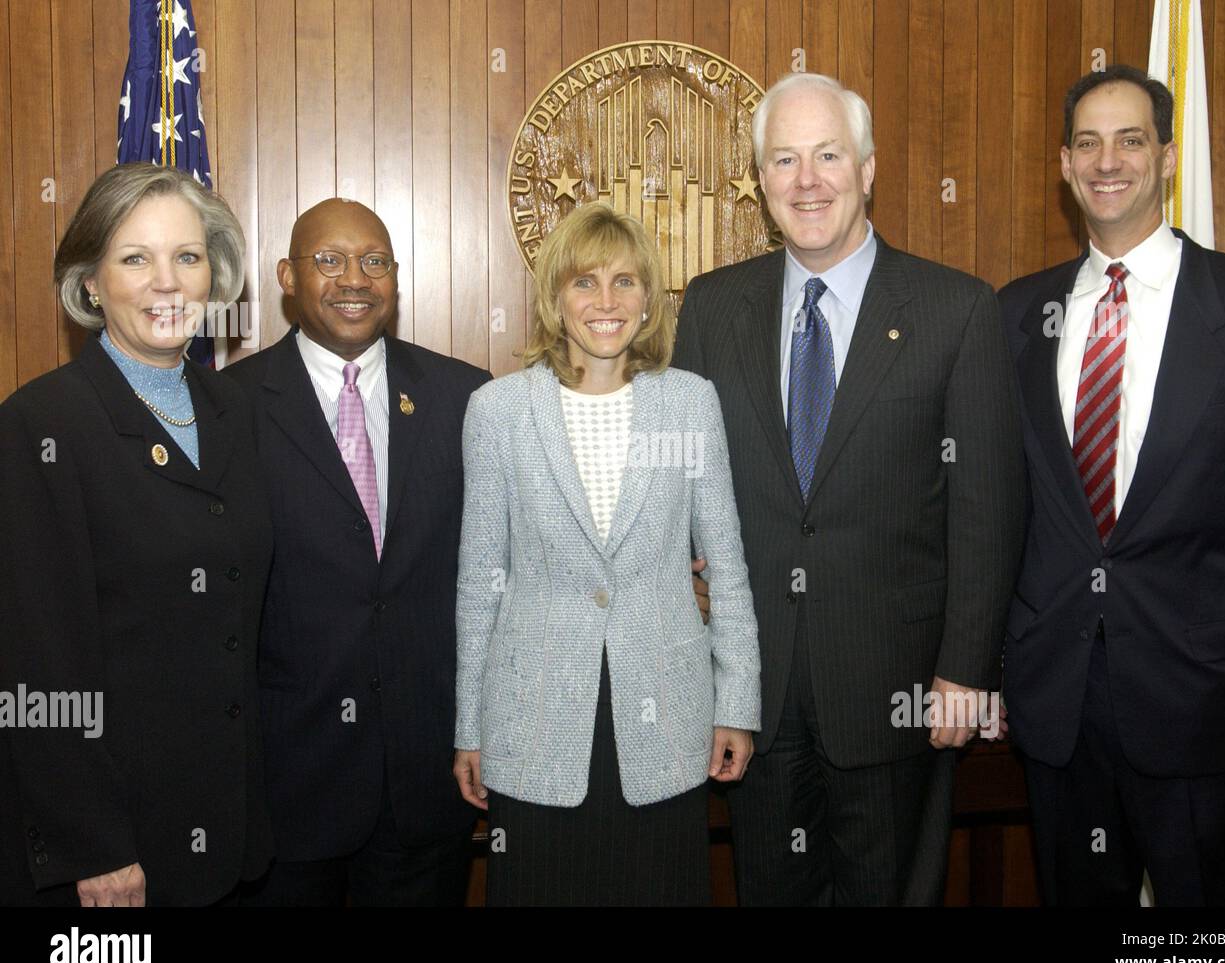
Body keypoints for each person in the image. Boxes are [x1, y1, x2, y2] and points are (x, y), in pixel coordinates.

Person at [673, 72, 1026, 905]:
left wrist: (965, 672)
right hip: (752, 690)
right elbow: (682, 490)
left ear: (868, 168)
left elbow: (988, 509)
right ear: (760, 183)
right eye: (784, 160)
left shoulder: (956, 309)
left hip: (899, 691)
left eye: (828, 155)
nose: (808, 180)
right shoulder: (713, 308)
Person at [998, 66, 1225, 906]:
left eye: (1130, 140)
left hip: (1207, 701)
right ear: (1063, 163)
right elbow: (1000, 510)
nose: (1108, 161)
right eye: (1087, 143)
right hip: (1060, 701)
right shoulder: (1018, 315)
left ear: (1166, 156)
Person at [453, 201, 761, 906]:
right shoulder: (498, 412)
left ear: (649, 299)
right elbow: (479, 584)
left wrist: (737, 702)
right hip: (531, 722)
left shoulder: (690, 403)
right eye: (584, 282)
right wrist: (469, 726)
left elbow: (729, 566)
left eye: (626, 281)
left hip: (667, 719)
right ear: (555, 299)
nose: (606, 301)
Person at [0, 163, 274, 906]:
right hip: (115, 851)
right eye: (135, 258)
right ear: (90, 283)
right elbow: (37, 663)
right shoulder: (42, 426)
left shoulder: (234, 410)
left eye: (187, 257)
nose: (167, 282)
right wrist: (92, 843)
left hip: (227, 829)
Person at [226, 199, 490, 906]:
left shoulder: (465, 397)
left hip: (427, 783)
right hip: (285, 785)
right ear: (287, 275)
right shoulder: (227, 407)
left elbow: (505, 568)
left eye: (375, 262)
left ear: (395, 280)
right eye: (330, 261)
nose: (355, 279)